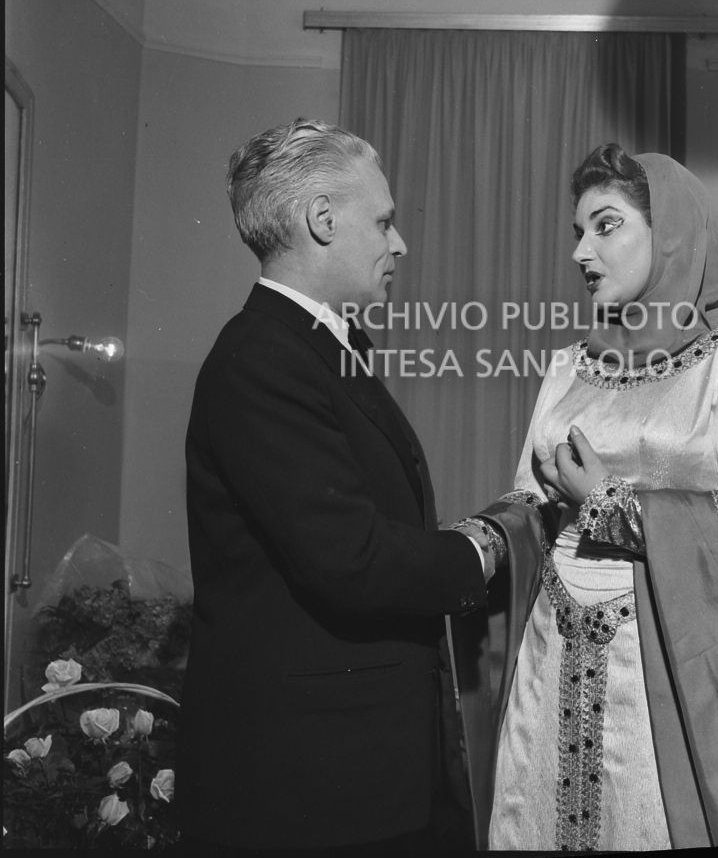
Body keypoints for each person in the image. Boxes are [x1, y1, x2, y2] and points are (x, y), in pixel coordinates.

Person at [451, 144, 718, 849]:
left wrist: (613, 506)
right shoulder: (568, 368)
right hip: (551, 663)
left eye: (607, 225)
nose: (581, 252)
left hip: (664, 682)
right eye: (577, 232)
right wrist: (480, 540)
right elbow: (531, 500)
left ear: (672, 234)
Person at [178, 118, 497, 852]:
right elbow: (352, 559)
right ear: (322, 219)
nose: (399, 243)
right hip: (309, 790)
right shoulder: (263, 359)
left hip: (346, 772)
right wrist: (486, 546)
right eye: (383, 221)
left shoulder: (310, 350)